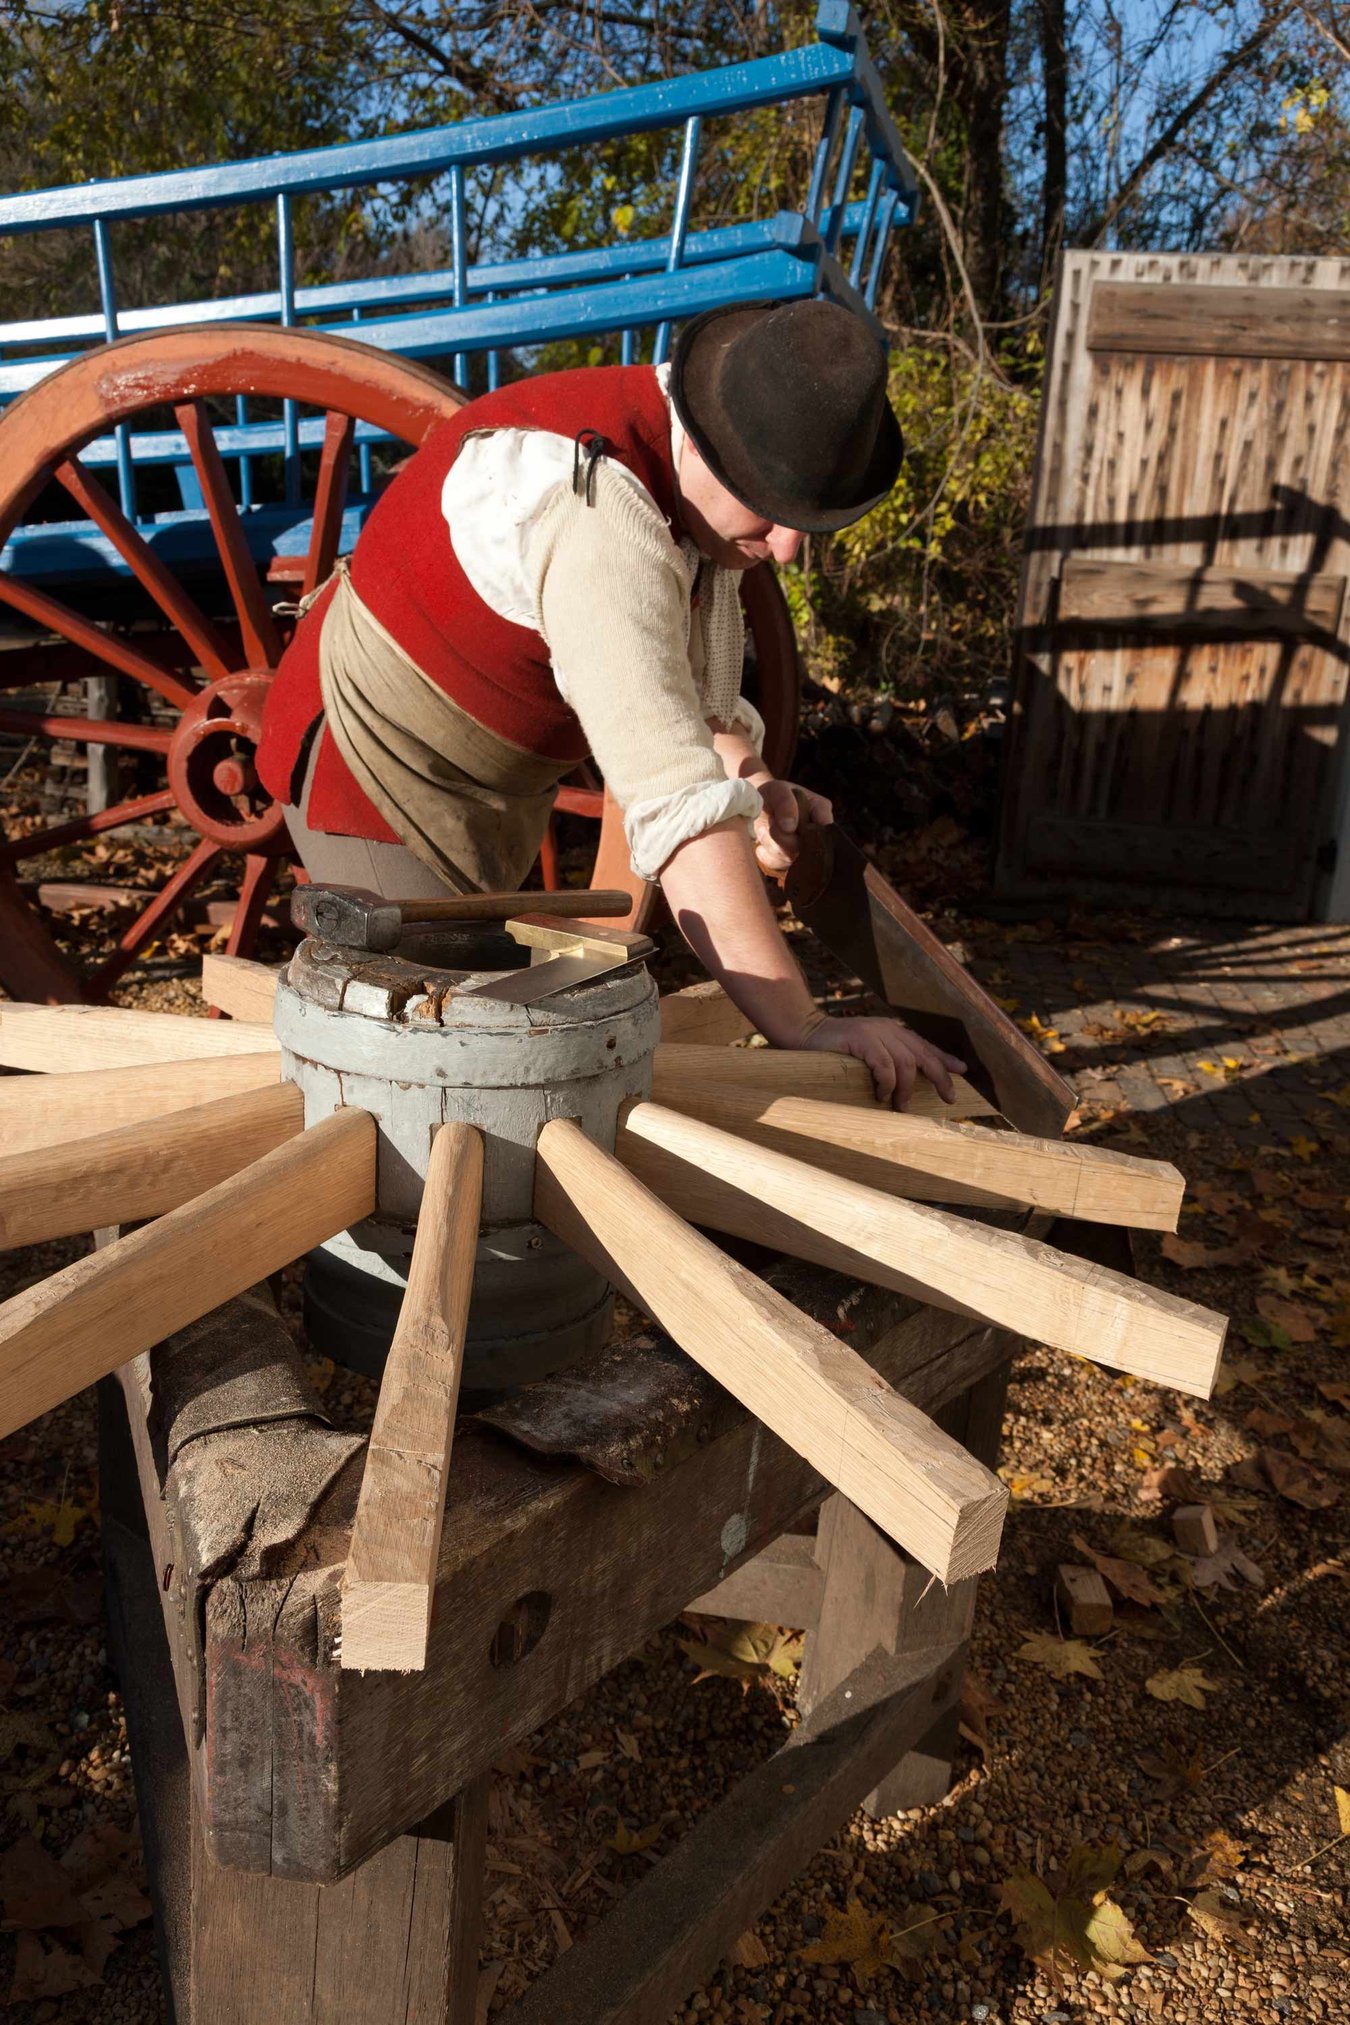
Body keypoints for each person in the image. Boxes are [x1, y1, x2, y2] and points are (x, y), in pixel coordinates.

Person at [257, 296, 964, 1106]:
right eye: (772, 507)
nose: (789, 546)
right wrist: (803, 1028)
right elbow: (677, 808)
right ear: (706, 440)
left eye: (806, 518)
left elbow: (692, 717)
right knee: (442, 1069)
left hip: (492, 782)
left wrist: (754, 783)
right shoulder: (600, 517)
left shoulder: (699, 495)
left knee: (519, 1028)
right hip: (374, 759)